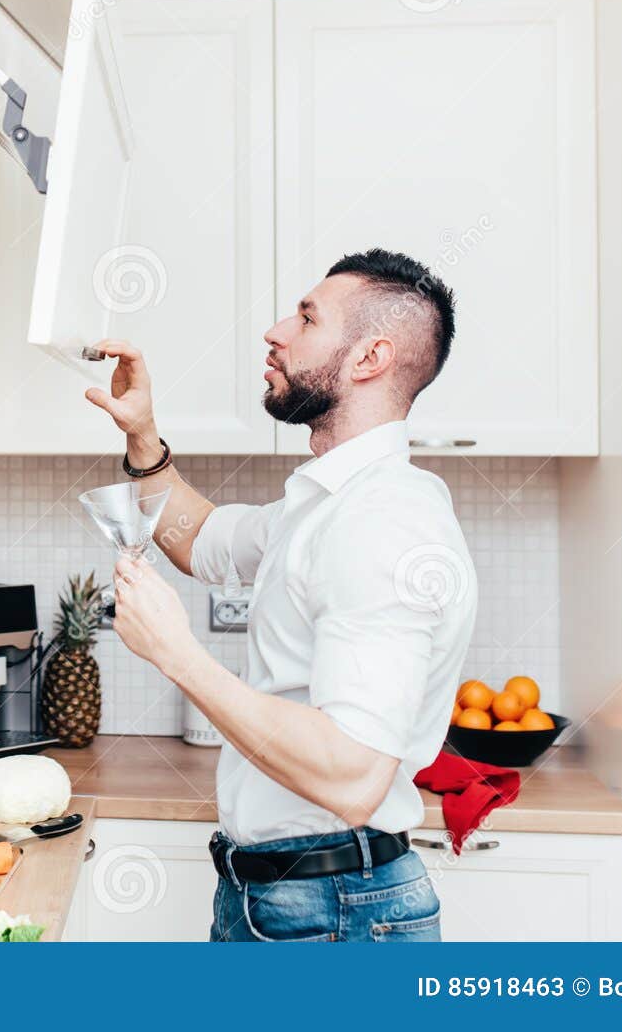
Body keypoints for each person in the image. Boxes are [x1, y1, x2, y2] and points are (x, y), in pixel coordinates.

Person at [86, 248, 476, 942]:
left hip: (335, 911)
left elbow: (352, 777)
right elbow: (199, 537)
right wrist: (142, 433)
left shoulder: (382, 522)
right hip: (285, 900)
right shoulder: (327, 502)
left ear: (369, 359)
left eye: (305, 317)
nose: (274, 331)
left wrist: (178, 655)